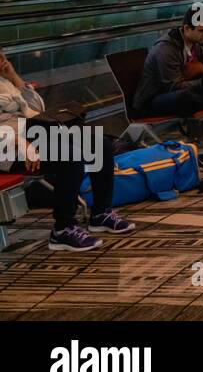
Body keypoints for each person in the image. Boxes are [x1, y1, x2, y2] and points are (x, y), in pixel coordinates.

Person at [1, 48, 133, 250]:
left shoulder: (4, 82)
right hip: (6, 145)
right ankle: (63, 229)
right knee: (70, 157)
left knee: (99, 144)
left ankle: (100, 213)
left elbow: (38, 107)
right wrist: (21, 142)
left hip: (32, 132)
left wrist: (12, 76)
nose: (2, 60)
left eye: (2, 56)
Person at [135, 4, 203, 117]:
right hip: (155, 98)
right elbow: (173, 87)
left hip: (189, 90)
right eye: (202, 31)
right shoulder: (165, 49)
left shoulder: (199, 44)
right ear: (187, 28)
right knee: (184, 97)